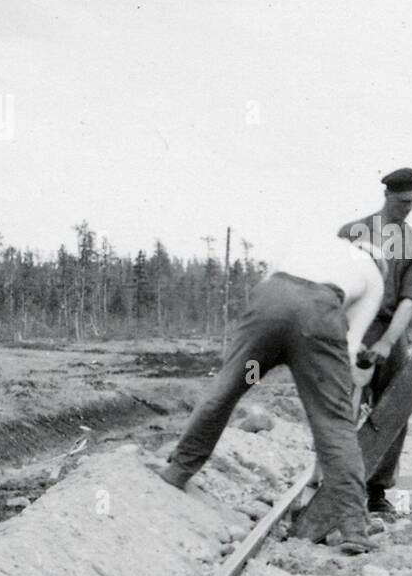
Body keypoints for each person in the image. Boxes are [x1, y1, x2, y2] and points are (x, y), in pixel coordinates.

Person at [157, 234, 384, 555]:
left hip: (270, 301)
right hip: (318, 314)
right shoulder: (374, 278)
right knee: (333, 422)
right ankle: (353, 527)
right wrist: (350, 370)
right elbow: (348, 347)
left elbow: (267, 286)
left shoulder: (314, 245)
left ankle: (178, 470)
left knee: (227, 389)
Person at [337, 168, 412, 520]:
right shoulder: (351, 233)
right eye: (404, 201)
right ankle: (338, 485)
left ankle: (376, 490)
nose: (409, 208)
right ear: (388, 196)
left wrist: (389, 342)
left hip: (390, 328)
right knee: (341, 405)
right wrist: (346, 334)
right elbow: (337, 286)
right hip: (350, 327)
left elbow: (409, 300)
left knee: (394, 407)